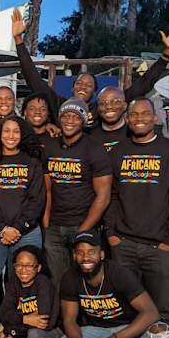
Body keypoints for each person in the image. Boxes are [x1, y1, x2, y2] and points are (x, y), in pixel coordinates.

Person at [11, 9, 169, 130]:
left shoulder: (104, 108)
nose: (83, 87)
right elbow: (33, 78)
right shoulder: (58, 104)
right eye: (79, 83)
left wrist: (167, 54)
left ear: (94, 92)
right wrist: (19, 40)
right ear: (72, 87)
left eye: (88, 85)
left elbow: (143, 85)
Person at [104, 97, 169, 327]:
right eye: (134, 114)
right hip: (124, 244)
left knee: (162, 311)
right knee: (124, 308)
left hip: (159, 247)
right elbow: (110, 195)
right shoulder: (118, 151)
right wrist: (111, 233)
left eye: (144, 114)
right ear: (127, 118)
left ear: (154, 117)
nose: (139, 118)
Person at [0, 115, 45, 317]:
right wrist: (3, 228)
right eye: (6, 131)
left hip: (27, 234)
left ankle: (17, 335)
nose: (10, 135)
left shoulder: (32, 161)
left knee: (25, 295)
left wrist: (17, 228)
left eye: (16, 131)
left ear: (23, 135)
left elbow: (37, 200)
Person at [56, 230, 169, 338]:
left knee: (162, 333)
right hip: (96, 331)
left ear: (101, 254)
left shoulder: (118, 274)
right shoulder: (70, 278)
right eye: (80, 252)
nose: (86, 257)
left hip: (128, 330)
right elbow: (69, 320)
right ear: (74, 256)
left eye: (92, 252)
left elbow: (151, 313)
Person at [42, 98, 112, 288]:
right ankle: (62, 318)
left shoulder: (94, 148)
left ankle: (84, 319)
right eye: (66, 116)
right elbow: (47, 190)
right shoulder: (51, 147)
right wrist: (47, 225)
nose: (70, 120)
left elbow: (103, 196)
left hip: (82, 225)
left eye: (75, 117)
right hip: (55, 227)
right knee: (58, 282)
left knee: (85, 282)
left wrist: (84, 230)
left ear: (83, 121)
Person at [0, 246, 59, 338]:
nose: (23, 270)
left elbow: (43, 322)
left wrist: (11, 330)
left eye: (29, 265)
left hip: (50, 331)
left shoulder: (43, 283)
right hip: (21, 329)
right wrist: (24, 319)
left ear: (38, 268)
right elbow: (3, 313)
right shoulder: (14, 282)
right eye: (19, 265)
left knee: (34, 335)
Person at [90, 87, 130, 152]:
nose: (109, 107)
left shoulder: (132, 134)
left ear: (125, 106)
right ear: (98, 109)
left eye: (115, 101)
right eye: (103, 103)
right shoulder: (90, 136)